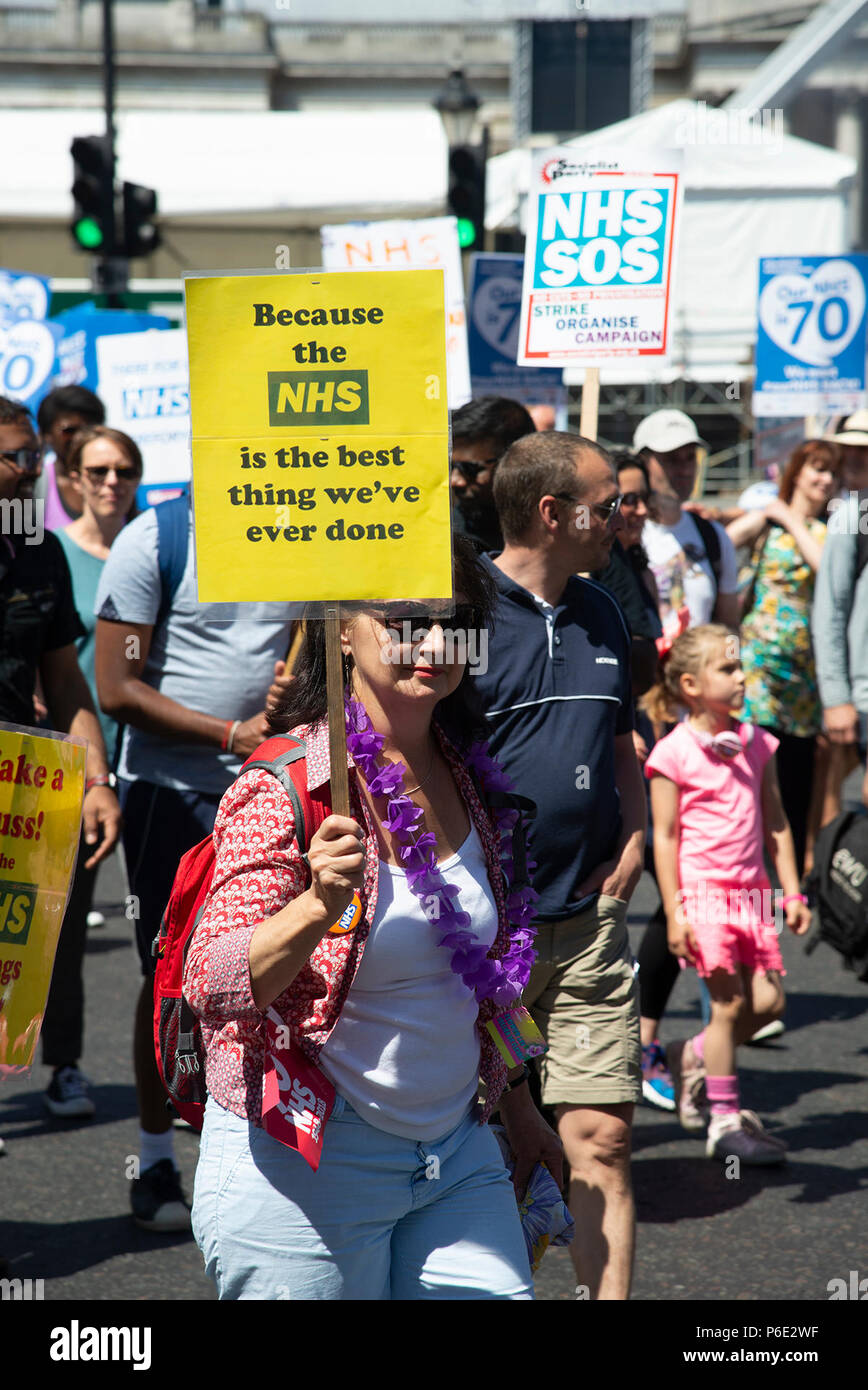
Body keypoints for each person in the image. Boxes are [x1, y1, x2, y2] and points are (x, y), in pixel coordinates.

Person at [184, 539, 562, 1300]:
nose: (431, 643)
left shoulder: (471, 774)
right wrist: (317, 908)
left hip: (457, 1153)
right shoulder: (289, 783)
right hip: (304, 1163)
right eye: (403, 620)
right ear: (341, 628)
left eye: (453, 620)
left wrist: (520, 1110)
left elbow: (477, 980)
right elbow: (212, 980)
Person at [472, 431, 646, 1301]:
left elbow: (623, 744)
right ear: (553, 511)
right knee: (498, 1151)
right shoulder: (458, 613)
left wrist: (640, 831)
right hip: (480, 939)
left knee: (601, 1140)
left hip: (589, 924)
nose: (623, 516)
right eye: (609, 502)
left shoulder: (606, 606)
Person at [95, 497, 295, 1231]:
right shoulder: (158, 538)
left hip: (279, 793)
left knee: (276, 975)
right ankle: (154, 1158)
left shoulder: (305, 531)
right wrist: (229, 732)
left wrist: (293, 698)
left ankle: (257, 1151)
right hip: (170, 796)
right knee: (171, 979)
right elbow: (116, 688)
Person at [644, 625, 811, 1163]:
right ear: (691, 685)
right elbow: (664, 838)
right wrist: (675, 913)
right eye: (728, 670)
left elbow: (778, 822)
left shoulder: (758, 742)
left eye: (741, 668)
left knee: (769, 1003)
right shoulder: (673, 754)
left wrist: (792, 892)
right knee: (730, 1005)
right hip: (704, 895)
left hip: (753, 895)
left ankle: (686, 1054)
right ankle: (724, 1122)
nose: (741, 679)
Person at [0, 397, 121, 1133]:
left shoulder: (36, 546)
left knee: (27, 964)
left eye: (34, 456)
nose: (30, 471)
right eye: (15, 456)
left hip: (23, 790)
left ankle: (58, 1062)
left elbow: (66, 678)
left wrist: (95, 779)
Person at [39, 426, 142, 1118]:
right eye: (97, 470)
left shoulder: (153, 548)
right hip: (72, 766)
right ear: (72, 478)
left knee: (166, 926)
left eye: (125, 470)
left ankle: (182, 1068)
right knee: (65, 920)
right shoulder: (51, 557)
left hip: (150, 762)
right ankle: (65, 1065)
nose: (111, 482)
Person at [726, 439, 840, 878]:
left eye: (831, 473)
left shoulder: (827, 531)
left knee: (796, 771)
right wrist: (761, 515)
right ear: (797, 472)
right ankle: (745, 862)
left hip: (803, 672)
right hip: (756, 666)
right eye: (817, 470)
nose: (825, 480)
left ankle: (785, 875)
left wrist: (790, 517)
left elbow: (826, 569)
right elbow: (725, 543)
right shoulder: (768, 520)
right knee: (754, 763)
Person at [634, 408, 740, 633]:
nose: (684, 470)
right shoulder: (625, 534)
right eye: (671, 460)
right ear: (642, 463)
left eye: (690, 457)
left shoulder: (713, 535)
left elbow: (729, 625)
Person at [450, 396, 535, 553]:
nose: (455, 481)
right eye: (450, 467)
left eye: (470, 469)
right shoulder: (446, 539)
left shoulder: (552, 530)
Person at [35, 386, 106, 531]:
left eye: (89, 429)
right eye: (69, 430)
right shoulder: (35, 486)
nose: (81, 437)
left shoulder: (117, 481)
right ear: (46, 434)